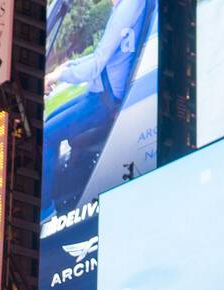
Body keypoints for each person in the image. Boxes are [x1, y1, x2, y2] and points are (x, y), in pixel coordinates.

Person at [42, 0, 152, 212]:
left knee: (47, 135)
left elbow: (96, 65)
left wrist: (59, 75)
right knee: (49, 122)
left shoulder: (128, 7)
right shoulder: (127, 6)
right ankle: (57, 188)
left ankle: (45, 210)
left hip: (104, 100)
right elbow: (100, 57)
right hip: (98, 94)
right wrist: (65, 68)